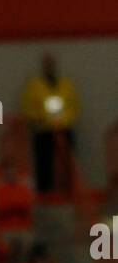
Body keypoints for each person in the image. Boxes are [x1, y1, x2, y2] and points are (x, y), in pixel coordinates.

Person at [20, 54, 80, 195]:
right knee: (43, 162)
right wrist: (39, 119)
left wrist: (66, 120)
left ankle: (69, 189)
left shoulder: (66, 84)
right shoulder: (34, 85)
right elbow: (28, 106)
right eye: (47, 64)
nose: (49, 67)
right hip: (43, 130)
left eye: (51, 64)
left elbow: (74, 105)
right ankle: (44, 191)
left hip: (63, 128)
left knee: (67, 161)